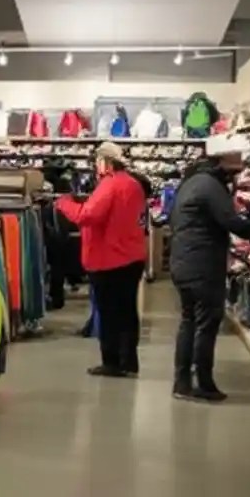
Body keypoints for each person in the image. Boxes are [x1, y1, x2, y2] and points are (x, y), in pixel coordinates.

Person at [168, 133, 250, 402]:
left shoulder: (194, 181)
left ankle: (182, 382)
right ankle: (203, 383)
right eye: (237, 155)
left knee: (189, 321)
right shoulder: (210, 185)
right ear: (224, 157)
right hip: (202, 265)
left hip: (185, 261)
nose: (241, 159)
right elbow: (236, 224)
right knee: (205, 323)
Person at [56, 142, 151, 378]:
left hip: (109, 259)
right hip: (131, 256)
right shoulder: (133, 184)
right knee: (127, 313)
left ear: (104, 162)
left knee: (109, 314)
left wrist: (64, 203)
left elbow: (87, 216)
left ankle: (112, 362)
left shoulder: (110, 184)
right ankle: (129, 361)